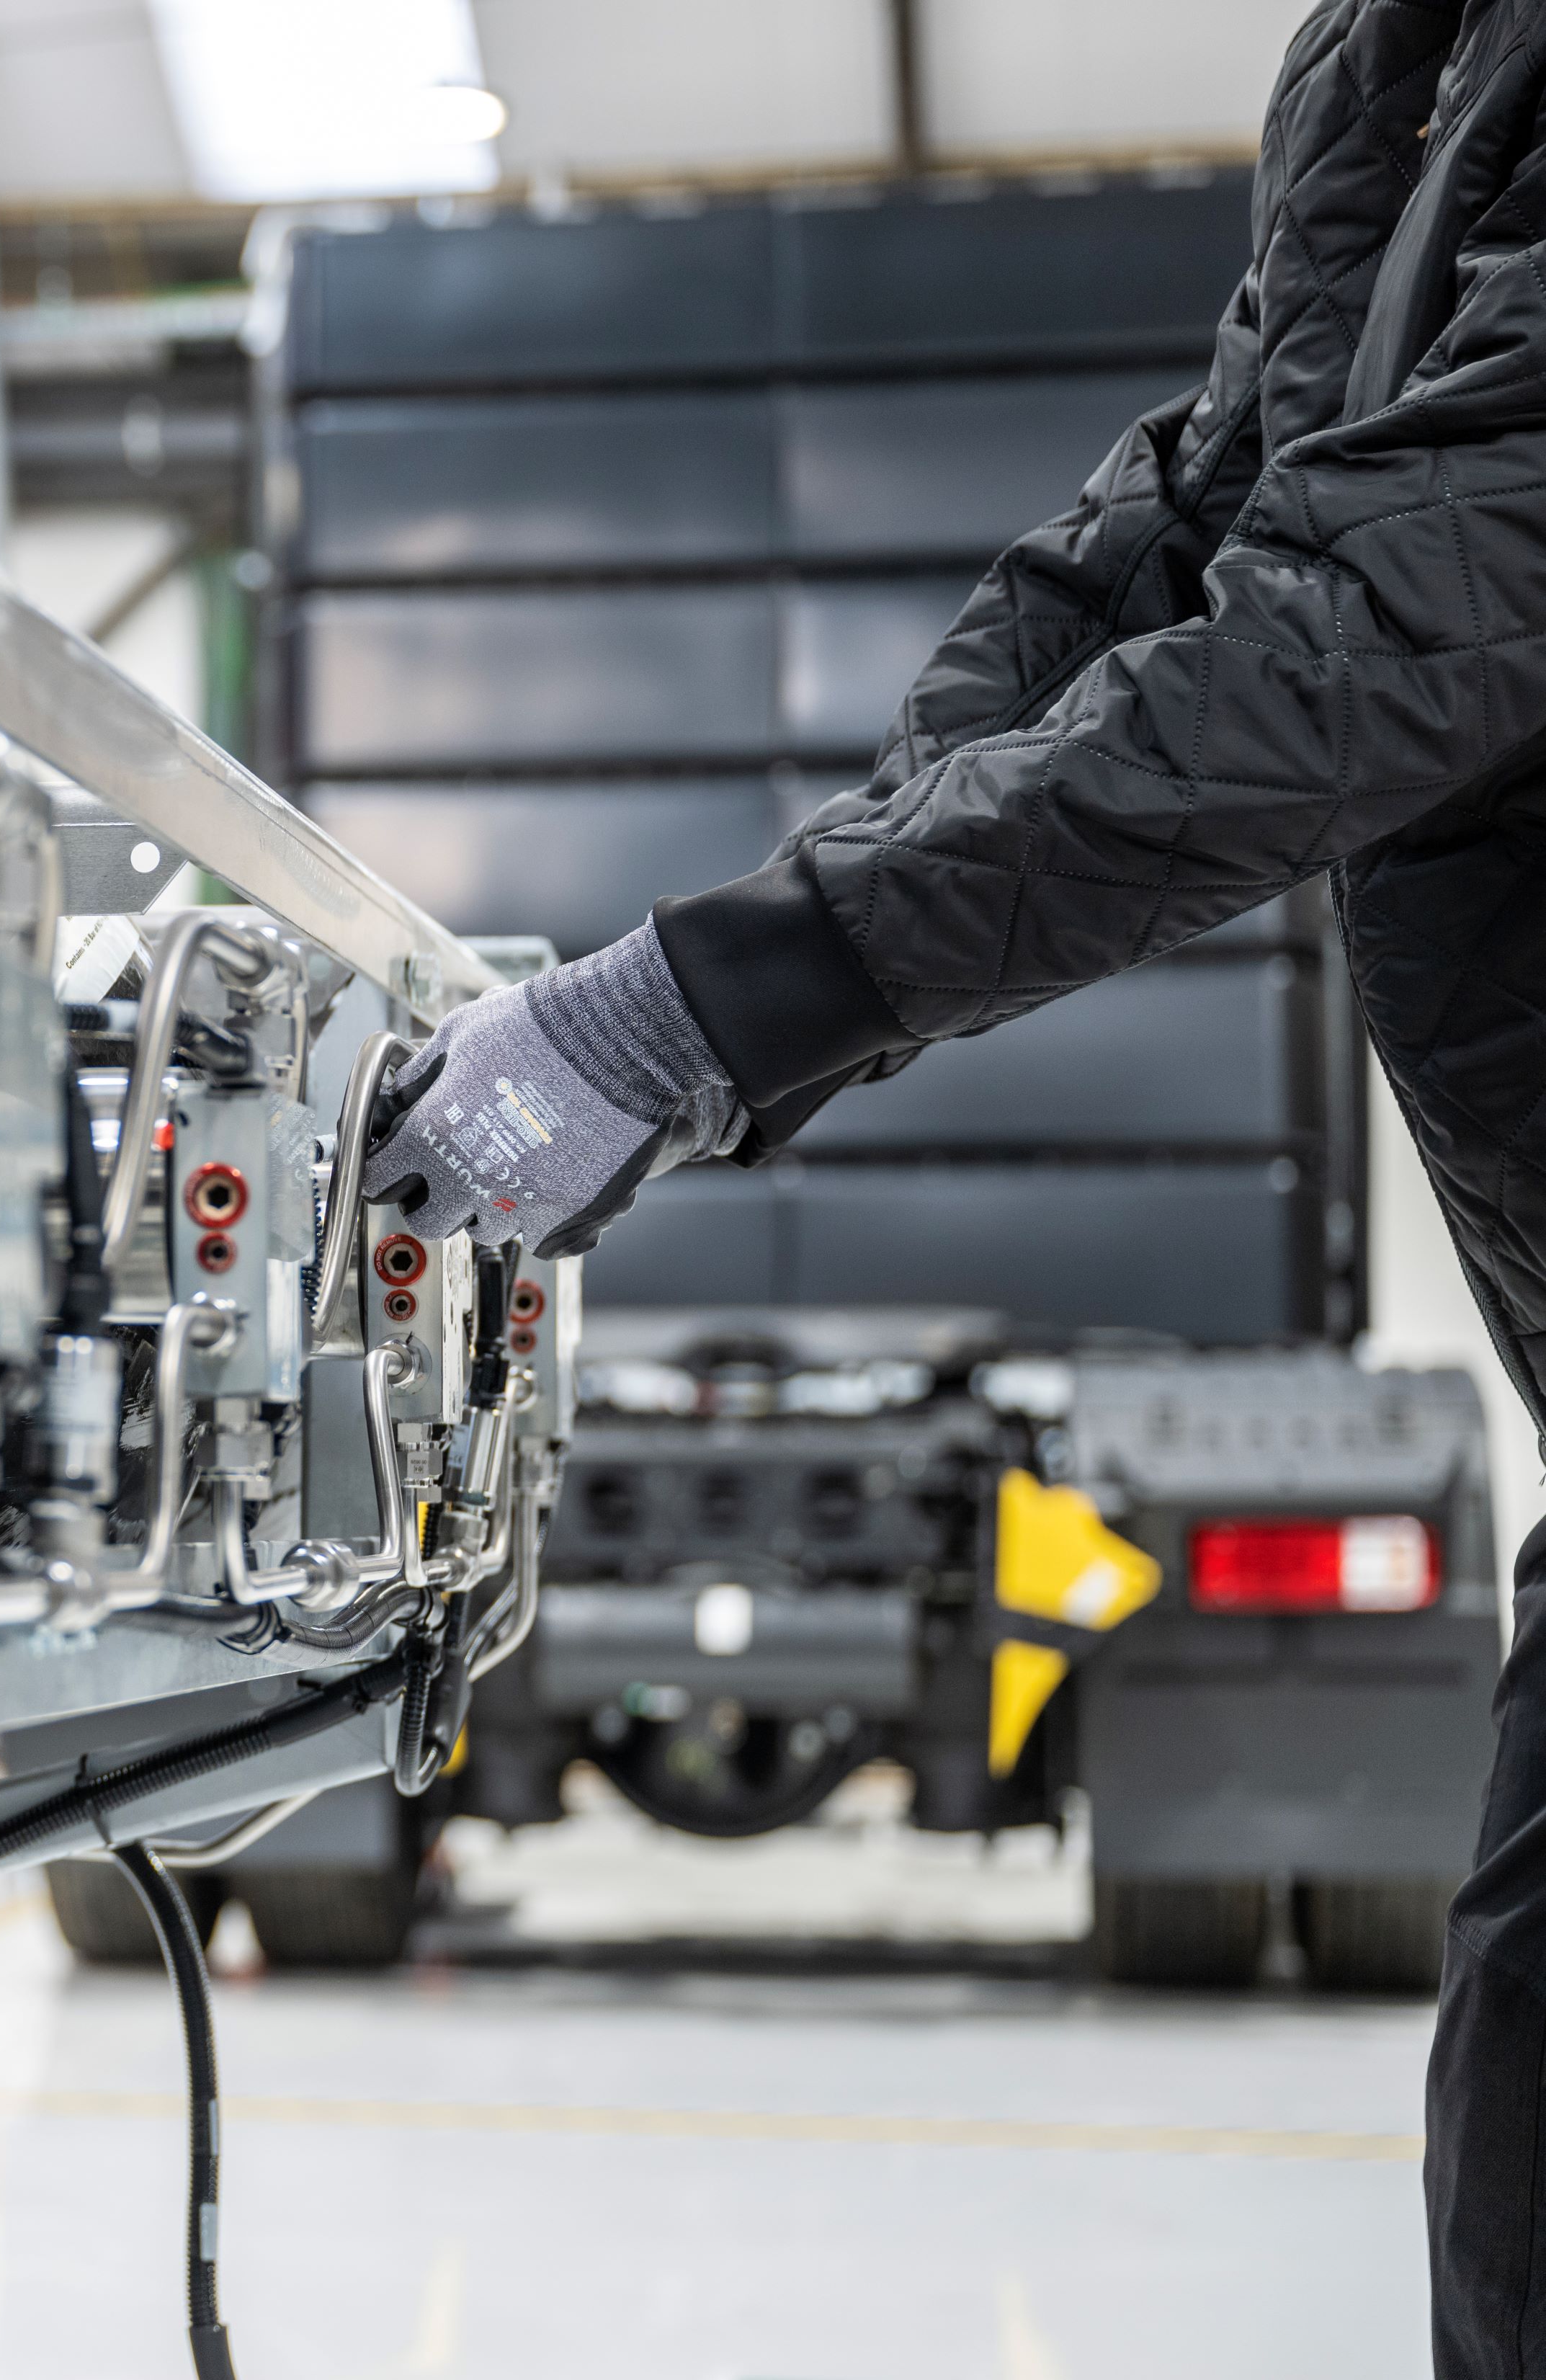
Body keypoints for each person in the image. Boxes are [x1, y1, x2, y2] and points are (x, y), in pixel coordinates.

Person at [352, 1, 1546, 2364]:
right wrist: (722, 1025)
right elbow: (1191, 531)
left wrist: (717, 1006)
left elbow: (1403, 608)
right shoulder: (1384, 56)